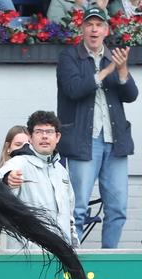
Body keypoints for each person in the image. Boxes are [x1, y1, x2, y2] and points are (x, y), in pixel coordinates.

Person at [56, 6, 138, 248]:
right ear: (82, 29)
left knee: (118, 208)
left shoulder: (113, 57)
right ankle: (73, 261)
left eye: (98, 24)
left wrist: (122, 72)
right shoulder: (69, 57)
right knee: (78, 208)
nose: (94, 29)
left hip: (115, 142)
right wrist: (106, 72)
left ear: (106, 30)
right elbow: (74, 90)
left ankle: (109, 258)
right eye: (89, 24)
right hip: (84, 141)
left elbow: (131, 95)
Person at [0, 111, 77, 248]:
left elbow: (70, 217)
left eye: (49, 131)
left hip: (61, 255)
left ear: (57, 137)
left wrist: (74, 245)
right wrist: (6, 179)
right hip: (28, 258)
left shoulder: (62, 172)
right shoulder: (20, 162)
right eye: (38, 132)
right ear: (30, 138)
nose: (44, 136)